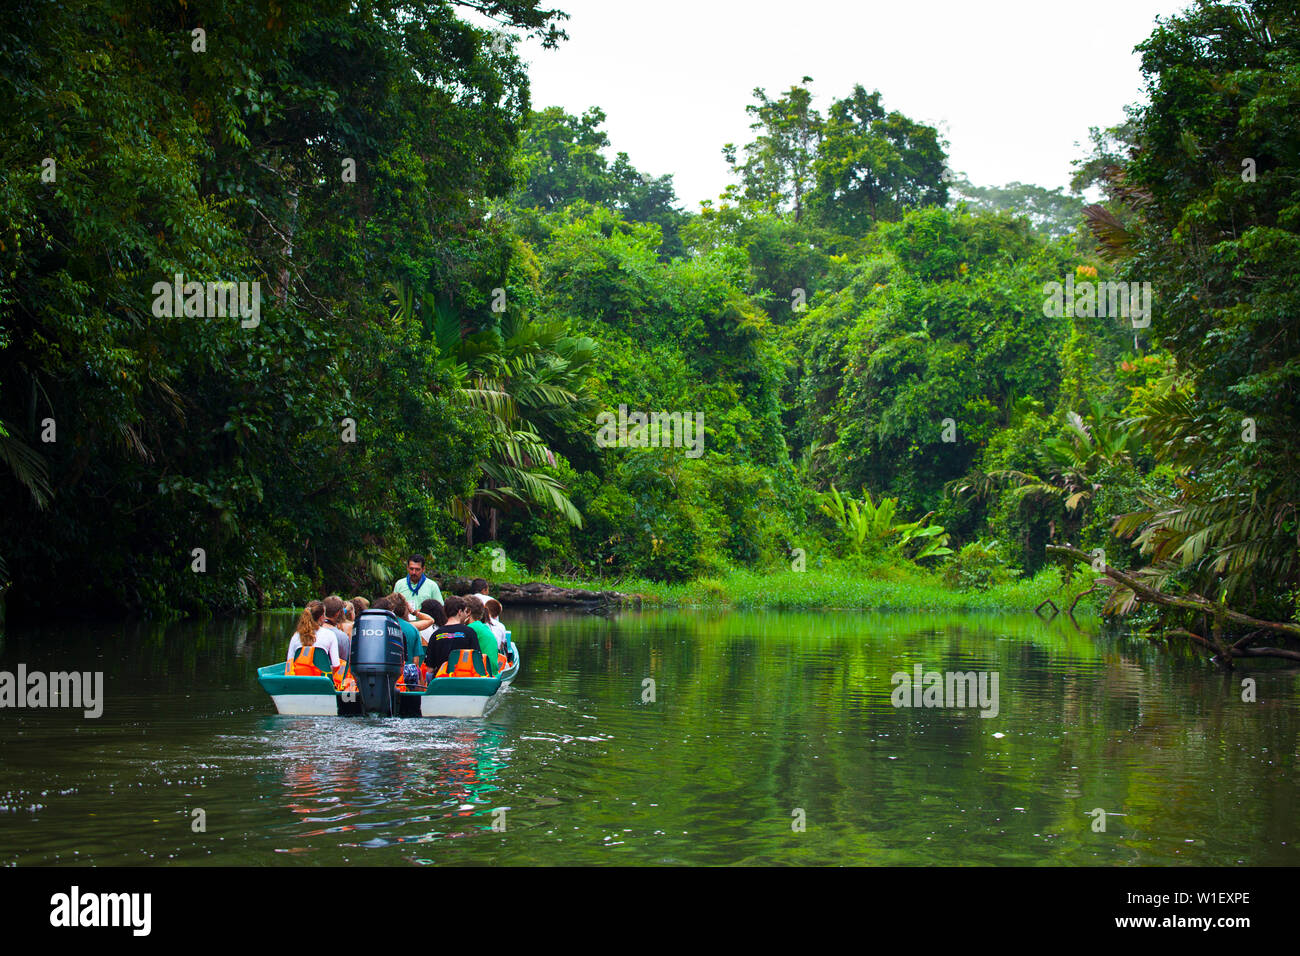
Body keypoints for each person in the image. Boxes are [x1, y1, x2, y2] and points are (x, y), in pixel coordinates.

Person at [286, 603, 341, 676]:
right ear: (321, 617)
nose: (325, 618)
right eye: (324, 615)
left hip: (299, 681)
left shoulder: (296, 636)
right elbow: (336, 665)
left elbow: (289, 663)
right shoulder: (330, 635)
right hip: (322, 683)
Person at [464, 597, 498, 676]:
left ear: (468, 612)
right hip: (492, 674)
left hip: (483, 674)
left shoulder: (470, 629)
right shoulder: (484, 627)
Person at [321, 595, 351, 663]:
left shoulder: (309, 631)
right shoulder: (342, 637)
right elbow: (346, 663)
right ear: (337, 613)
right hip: (332, 672)